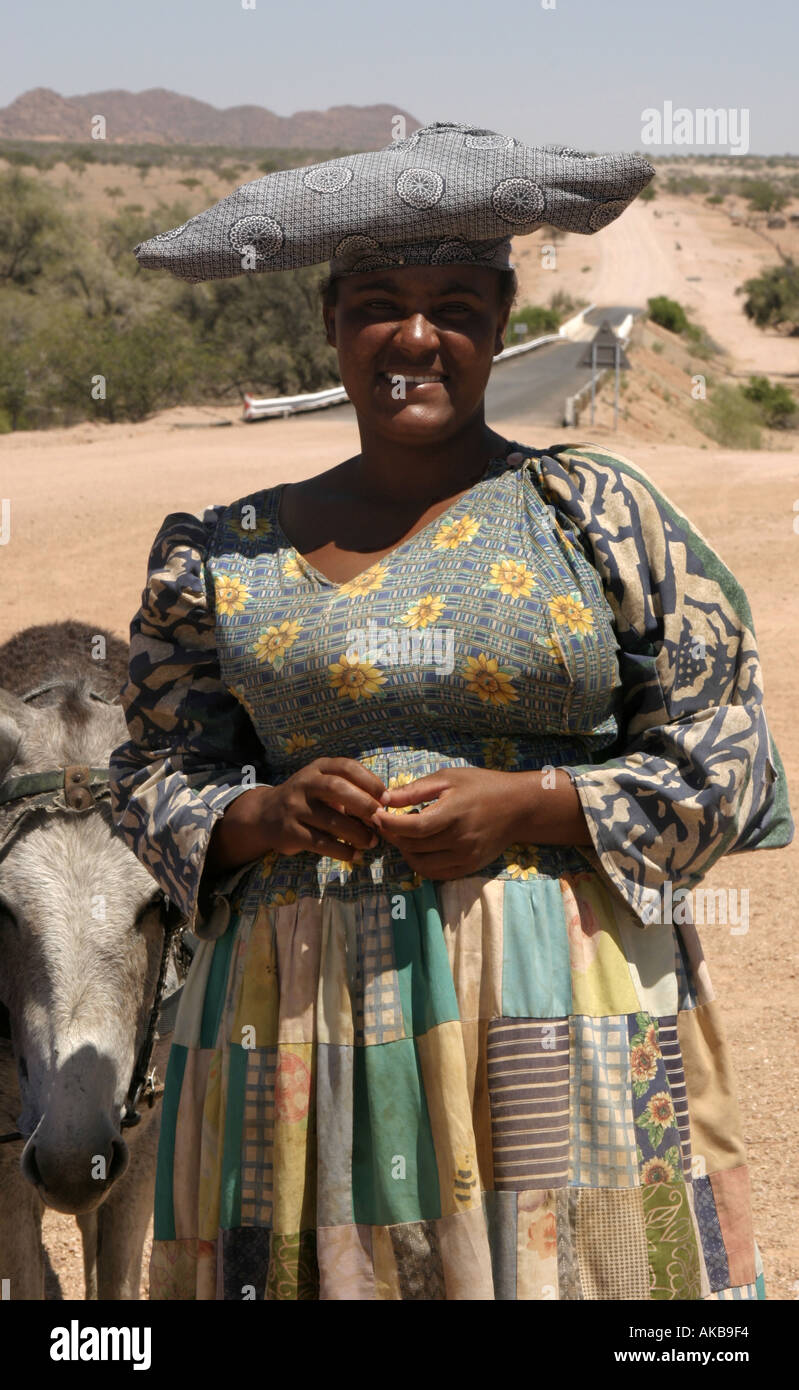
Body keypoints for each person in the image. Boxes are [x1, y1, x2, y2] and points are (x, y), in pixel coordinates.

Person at [108, 122, 793, 1300]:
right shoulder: (222, 552)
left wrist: (531, 803)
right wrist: (266, 814)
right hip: (298, 1015)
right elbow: (149, 777)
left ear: (500, 321)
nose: (415, 335)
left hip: (555, 1001)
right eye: (379, 301)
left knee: (574, 1275)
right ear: (329, 323)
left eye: (457, 304)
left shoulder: (597, 515)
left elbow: (726, 761)